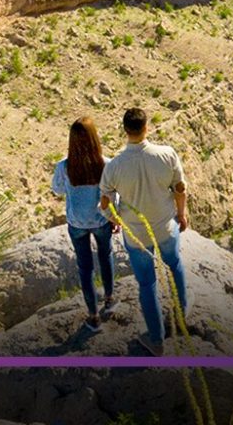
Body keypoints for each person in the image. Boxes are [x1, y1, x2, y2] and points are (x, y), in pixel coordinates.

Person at [99, 106, 190, 355]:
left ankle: (157, 341)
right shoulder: (166, 154)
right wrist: (181, 214)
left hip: (136, 235)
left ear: (125, 131)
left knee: (147, 283)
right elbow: (180, 188)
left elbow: (105, 201)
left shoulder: (114, 167)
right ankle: (182, 317)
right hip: (165, 226)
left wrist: (113, 219)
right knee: (174, 264)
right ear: (146, 127)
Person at [50, 116, 115, 331]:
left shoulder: (64, 166)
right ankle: (110, 299)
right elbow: (112, 192)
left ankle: (93, 316)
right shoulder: (105, 164)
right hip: (100, 219)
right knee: (105, 256)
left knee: (85, 267)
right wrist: (115, 217)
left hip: (76, 222)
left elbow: (57, 190)